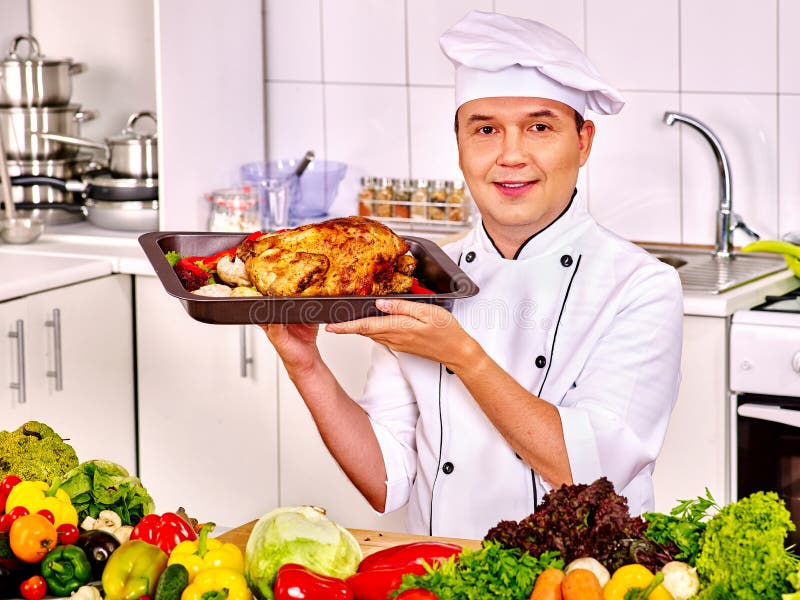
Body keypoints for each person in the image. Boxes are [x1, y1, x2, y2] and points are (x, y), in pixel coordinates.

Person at [262, 10, 683, 540]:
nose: (510, 156)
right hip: (441, 576)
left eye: (539, 127)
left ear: (584, 142)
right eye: (485, 129)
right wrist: (306, 365)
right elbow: (385, 481)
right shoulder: (419, 277)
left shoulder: (641, 288)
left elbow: (589, 474)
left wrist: (462, 354)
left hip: (577, 581)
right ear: (459, 144)